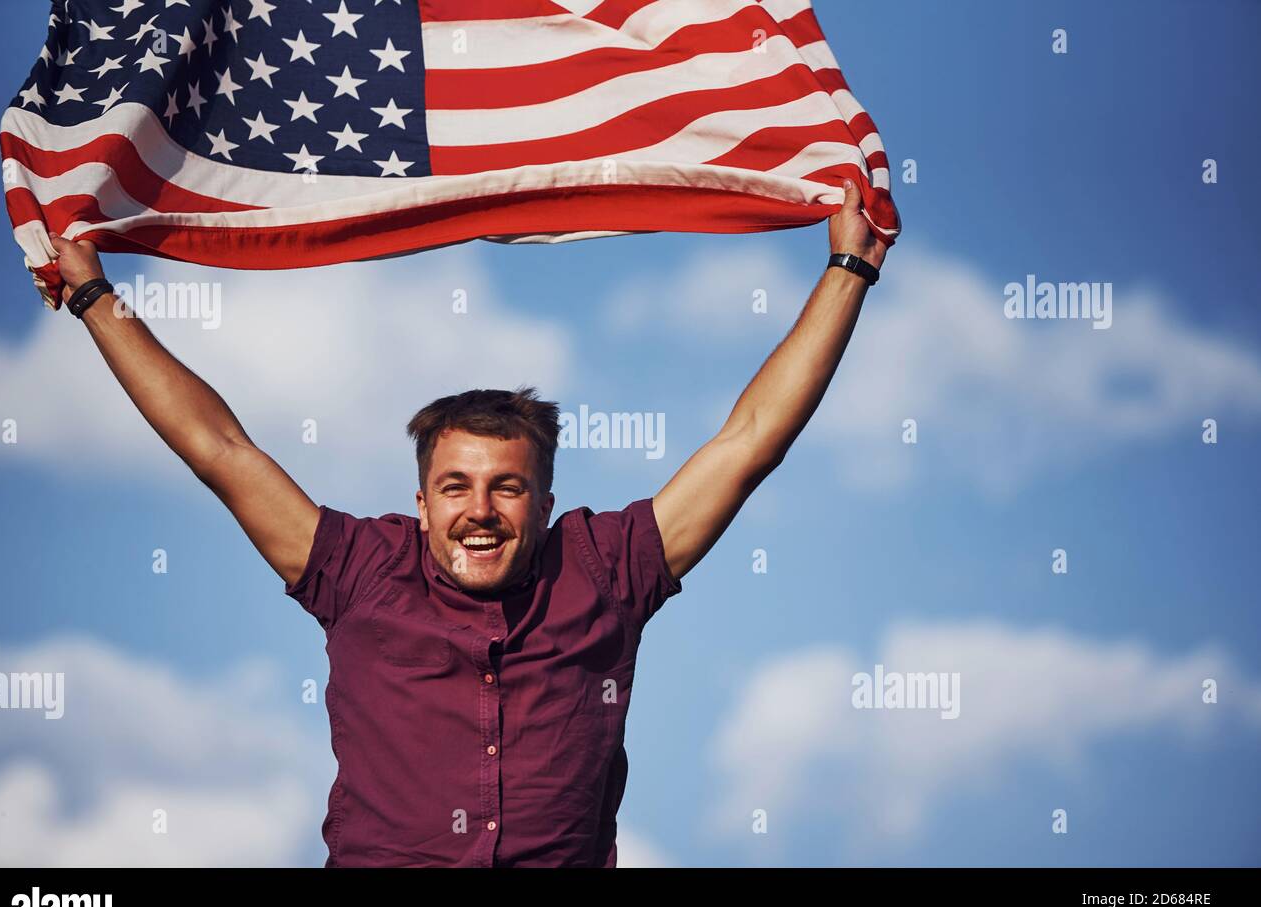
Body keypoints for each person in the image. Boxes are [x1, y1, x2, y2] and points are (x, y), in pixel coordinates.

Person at [43, 180, 888, 866]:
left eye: (507, 487)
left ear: (546, 504)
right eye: (455, 486)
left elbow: (746, 445)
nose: (479, 510)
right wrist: (91, 294)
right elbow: (217, 447)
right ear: (420, 504)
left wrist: (848, 267)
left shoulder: (606, 567)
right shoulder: (358, 570)